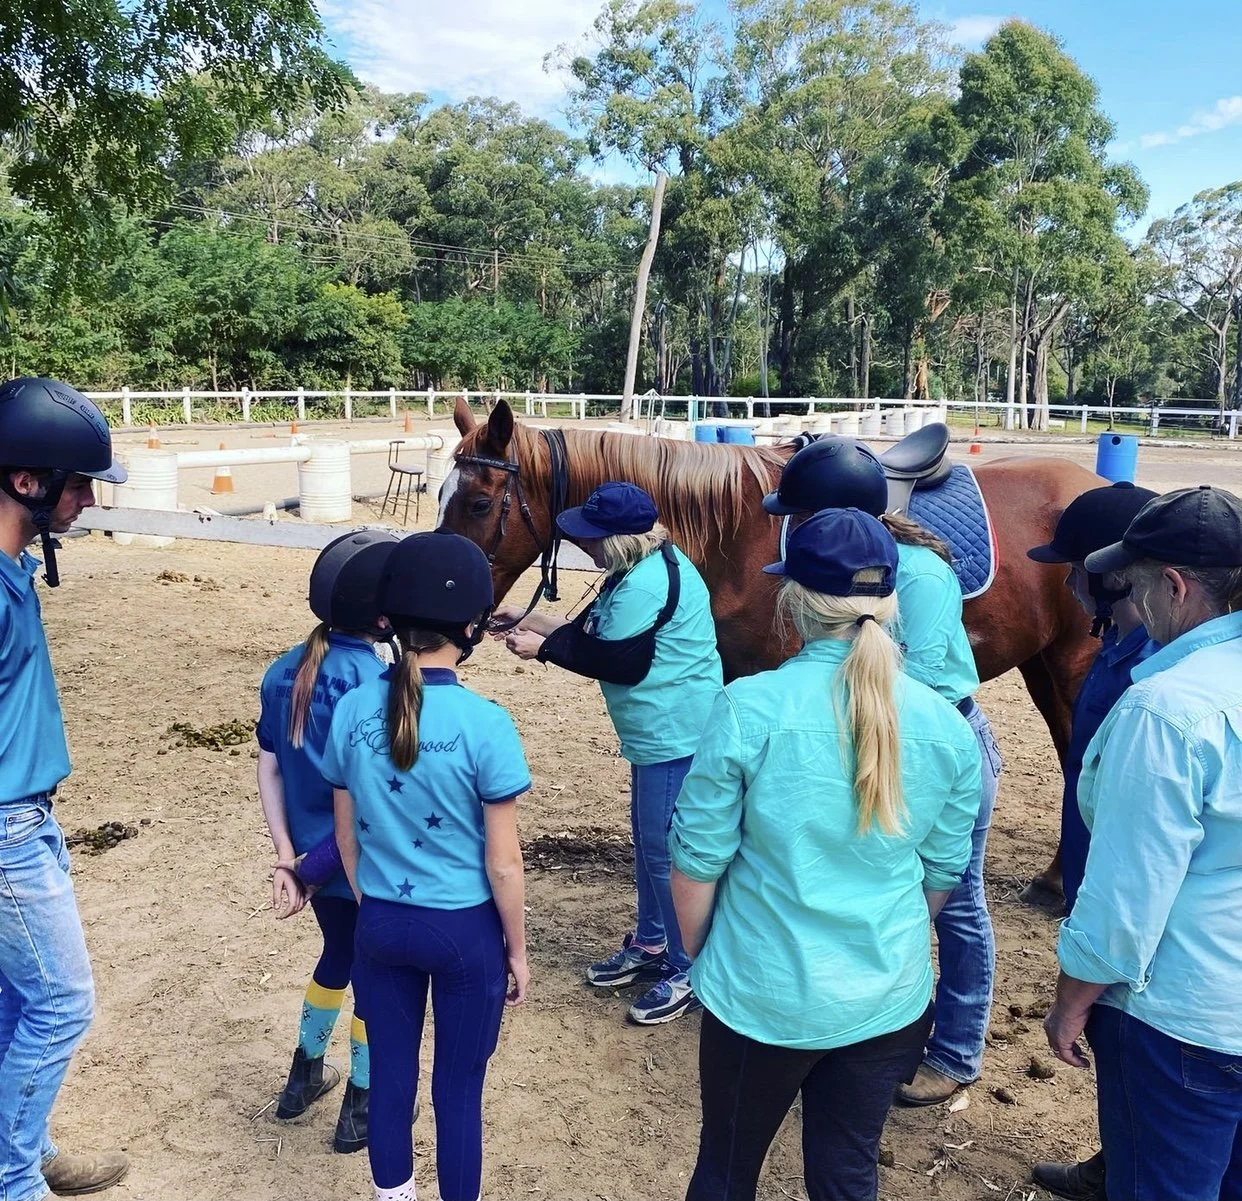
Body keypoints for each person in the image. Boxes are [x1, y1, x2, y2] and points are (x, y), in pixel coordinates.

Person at [670, 508, 980, 1201]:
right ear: (890, 602)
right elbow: (939, 877)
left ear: (794, 600)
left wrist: (702, 954)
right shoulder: (946, 726)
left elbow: (697, 860)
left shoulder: (748, 706)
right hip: (887, 995)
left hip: (763, 991)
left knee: (725, 1169)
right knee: (847, 1175)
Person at [763, 436, 1001, 1106]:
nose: (793, 525)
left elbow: (918, 680)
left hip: (931, 741)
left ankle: (956, 1049)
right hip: (877, 732)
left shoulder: (917, 573)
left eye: (801, 514)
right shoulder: (853, 568)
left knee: (957, 902)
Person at [1044, 486, 1242, 1201]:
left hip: (1183, 1011)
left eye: (1134, 581)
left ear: (1176, 586)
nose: (1126, 597)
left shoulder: (1164, 709)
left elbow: (1126, 897)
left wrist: (1072, 1000)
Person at [323, 531, 530, 1201]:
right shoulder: (486, 723)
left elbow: (345, 835)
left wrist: (372, 903)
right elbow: (503, 863)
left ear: (387, 621)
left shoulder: (353, 708)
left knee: (390, 1082)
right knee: (458, 1092)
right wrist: (517, 948)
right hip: (464, 932)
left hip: (381, 924)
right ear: (472, 627)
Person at [496, 481, 723, 1025]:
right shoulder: (640, 569)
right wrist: (530, 619)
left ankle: (686, 966)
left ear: (618, 540)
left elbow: (618, 661)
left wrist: (542, 648)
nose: (585, 544)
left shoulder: (643, 585)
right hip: (658, 732)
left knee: (663, 851)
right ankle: (651, 941)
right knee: (650, 846)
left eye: (593, 537)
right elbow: (595, 634)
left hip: (674, 735)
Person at [0, 377, 130, 1201]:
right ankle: (13, 1179)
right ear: (27, 480)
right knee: (62, 1001)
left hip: (28, 815)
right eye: (78, 483)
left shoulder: (13, 564)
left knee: (19, 1000)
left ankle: (24, 1147)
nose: (87, 499)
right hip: (5, 828)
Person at [1023, 482, 1159, 1201]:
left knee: (1138, 1043)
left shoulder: (1151, 680)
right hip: (1089, 881)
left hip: (1124, 909)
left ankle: (1132, 1165)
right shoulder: (1119, 647)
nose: (1069, 585)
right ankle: (1118, 1154)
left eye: (1076, 570)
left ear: (1114, 577)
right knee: (1117, 1041)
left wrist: (1083, 975)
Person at [256, 529, 401, 1153]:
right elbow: (376, 791)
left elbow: (267, 767)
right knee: (374, 975)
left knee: (337, 954)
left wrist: (286, 857)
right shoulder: (380, 684)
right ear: (384, 615)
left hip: (310, 858)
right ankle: (362, 1107)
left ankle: (302, 1077)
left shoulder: (281, 670)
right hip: (361, 859)